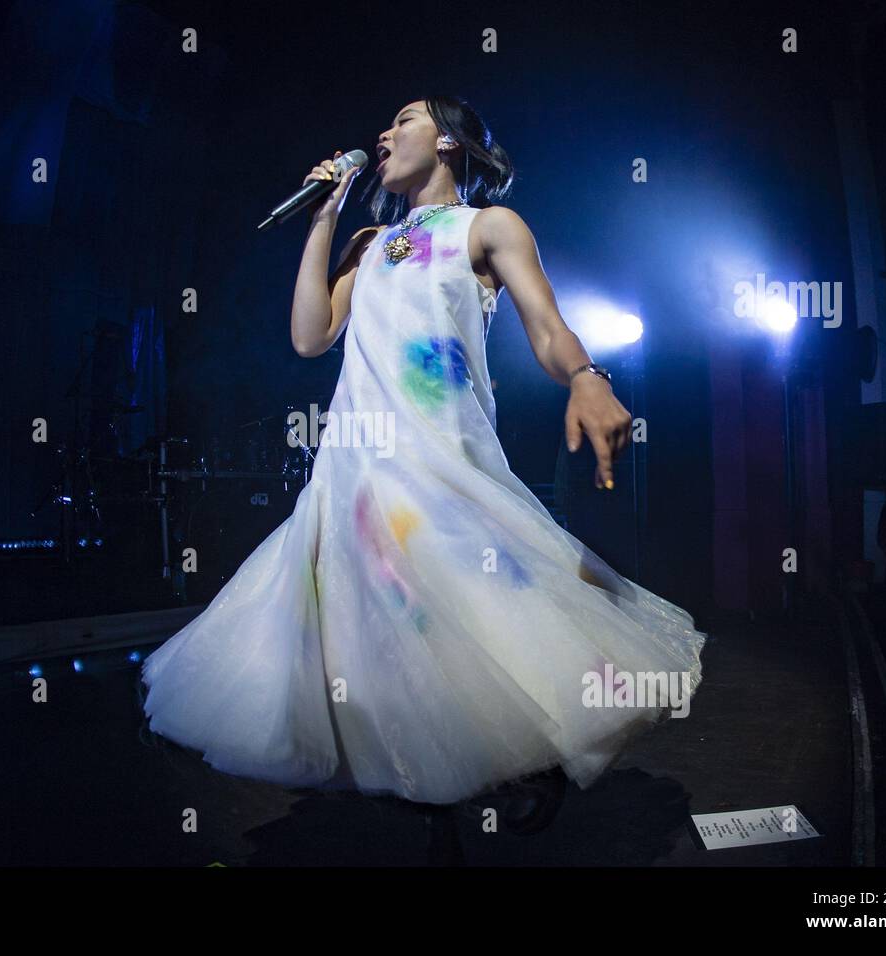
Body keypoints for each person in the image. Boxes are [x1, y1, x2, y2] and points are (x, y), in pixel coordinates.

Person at [140, 96, 707, 810]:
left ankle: (521, 760)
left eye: (403, 120)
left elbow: (547, 327)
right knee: (381, 653)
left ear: (446, 141)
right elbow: (311, 337)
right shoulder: (371, 241)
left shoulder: (488, 227)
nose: (382, 132)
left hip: (438, 465)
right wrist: (325, 217)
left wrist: (587, 377)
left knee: (473, 624)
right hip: (350, 476)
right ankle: (447, 797)